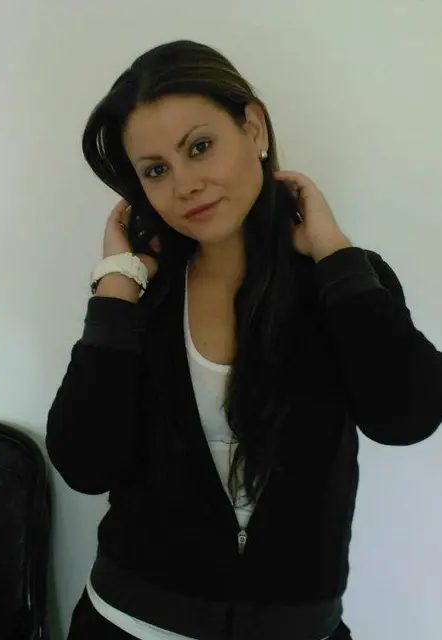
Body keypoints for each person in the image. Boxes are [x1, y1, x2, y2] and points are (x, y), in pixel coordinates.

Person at [46, 40, 442, 640]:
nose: (185, 184)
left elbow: (406, 417)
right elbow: (84, 464)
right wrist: (115, 290)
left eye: (199, 147)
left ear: (253, 127)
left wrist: (337, 257)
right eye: (156, 170)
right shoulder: (141, 296)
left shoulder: (344, 282)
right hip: (126, 622)